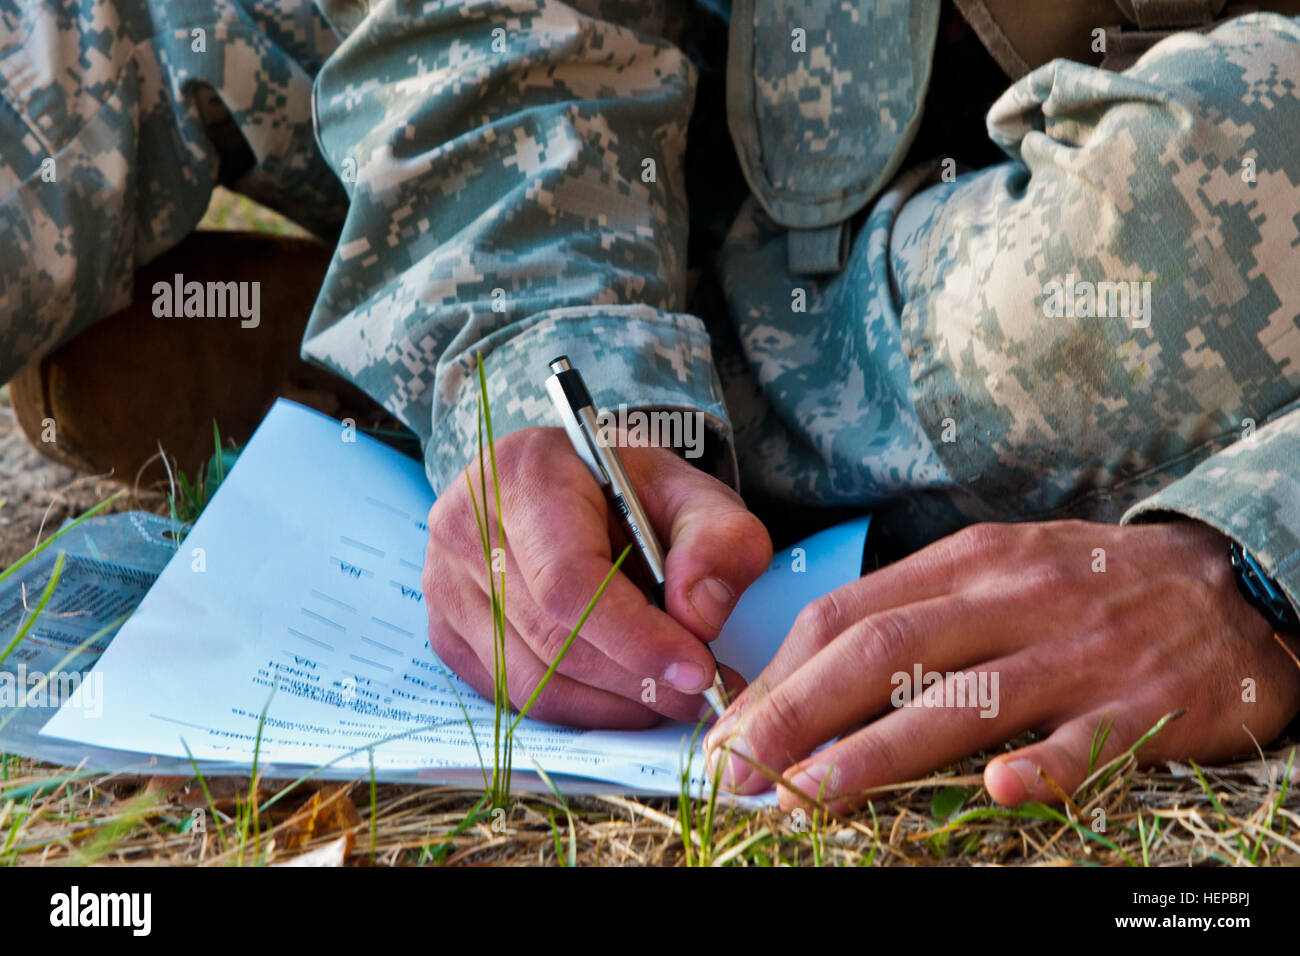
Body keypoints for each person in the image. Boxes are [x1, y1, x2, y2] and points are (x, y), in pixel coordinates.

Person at [2, 0, 1299, 811]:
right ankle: (461, 329)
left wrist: (1256, 561)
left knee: (1217, 208)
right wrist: (554, 370)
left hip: (1110, 224)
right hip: (665, 97)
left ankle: (378, 335)